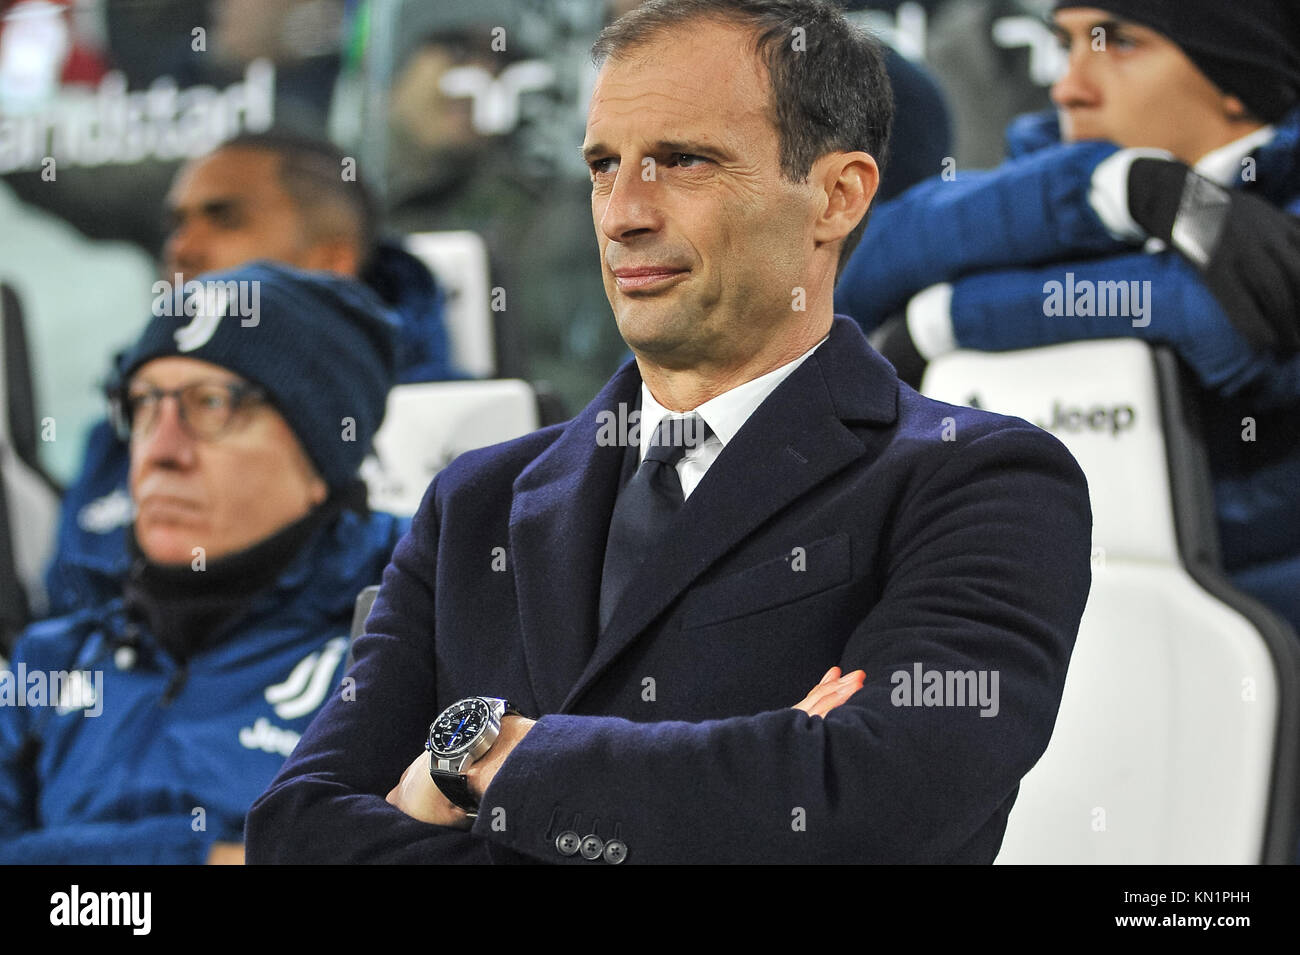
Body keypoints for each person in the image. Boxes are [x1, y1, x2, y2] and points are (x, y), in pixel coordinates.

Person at [247, 0, 1092, 865]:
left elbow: (871, 802)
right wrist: (737, 784)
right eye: (604, 166)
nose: (622, 214)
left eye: (683, 161)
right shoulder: (476, 501)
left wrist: (482, 759)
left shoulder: (985, 482)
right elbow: (296, 832)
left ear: (838, 196)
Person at [834, 1, 1300, 637]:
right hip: (1046, 650)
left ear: (1239, 85)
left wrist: (941, 319)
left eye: (1123, 44)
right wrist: (1122, 186)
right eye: (1068, 43)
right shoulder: (1046, 176)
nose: (1069, 86)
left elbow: (1221, 321)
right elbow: (868, 262)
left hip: (1253, 644)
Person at [0, 262, 405, 863]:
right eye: (142, 405)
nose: (160, 450)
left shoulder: (401, 646)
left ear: (323, 458)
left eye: (212, 404)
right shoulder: (54, 658)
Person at [42, 131, 459, 620]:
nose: (182, 248)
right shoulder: (117, 435)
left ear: (332, 261)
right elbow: (62, 621)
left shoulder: (468, 431)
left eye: (225, 219)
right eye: (176, 223)